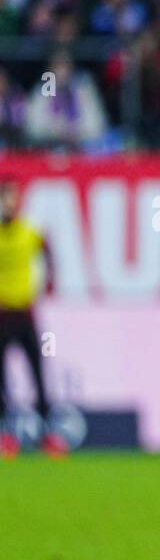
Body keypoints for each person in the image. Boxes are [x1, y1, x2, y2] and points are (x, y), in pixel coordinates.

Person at [0, 176, 65, 459]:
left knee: (38, 374)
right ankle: (7, 436)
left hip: (25, 314)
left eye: (13, 197)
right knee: (2, 379)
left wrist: (50, 280)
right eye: (5, 198)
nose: (9, 203)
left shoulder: (29, 231)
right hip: (1, 314)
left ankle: (47, 434)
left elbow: (47, 250)